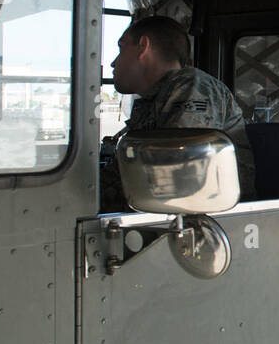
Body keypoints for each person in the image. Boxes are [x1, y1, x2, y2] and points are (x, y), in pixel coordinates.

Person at [101, 15, 256, 210]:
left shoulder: (191, 87)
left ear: (143, 46)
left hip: (201, 224)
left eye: (121, 48)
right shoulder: (155, 98)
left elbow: (177, 182)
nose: (114, 63)